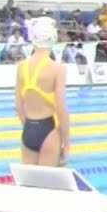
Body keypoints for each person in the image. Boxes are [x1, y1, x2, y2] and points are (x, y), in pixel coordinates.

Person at [15, 16, 69, 166]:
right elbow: (61, 108)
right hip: (49, 130)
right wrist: (66, 141)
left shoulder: (22, 66)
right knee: (48, 185)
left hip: (28, 129)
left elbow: (18, 106)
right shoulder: (57, 69)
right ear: (54, 37)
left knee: (29, 186)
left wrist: (29, 128)